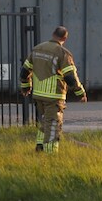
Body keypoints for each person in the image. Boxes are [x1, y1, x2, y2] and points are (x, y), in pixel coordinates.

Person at [20, 25, 86, 153]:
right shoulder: (63, 53)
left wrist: (26, 87)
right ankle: (50, 153)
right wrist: (80, 92)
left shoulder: (37, 49)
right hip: (53, 96)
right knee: (53, 124)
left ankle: (40, 148)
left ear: (53, 34)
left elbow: (24, 72)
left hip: (38, 94)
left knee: (45, 122)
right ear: (64, 38)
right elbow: (70, 77)